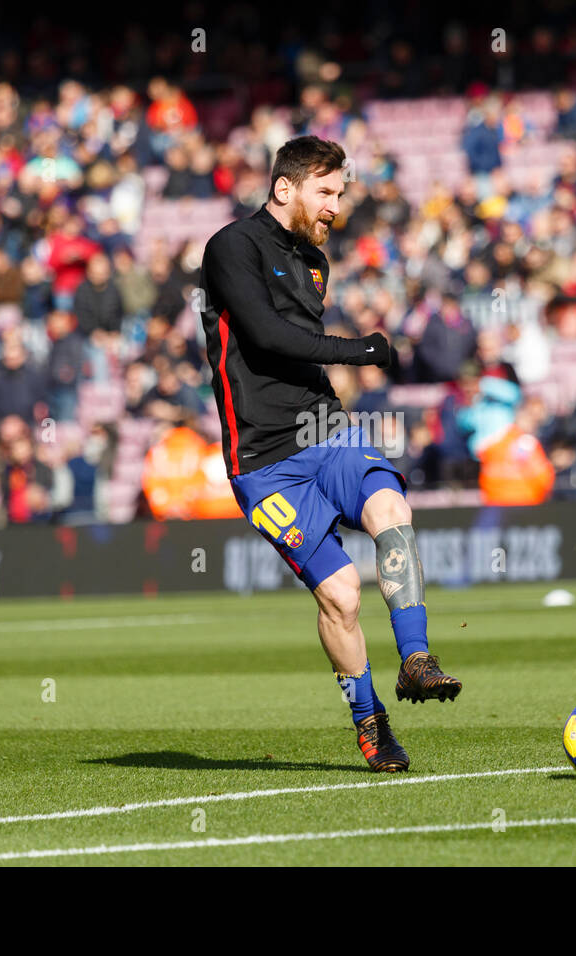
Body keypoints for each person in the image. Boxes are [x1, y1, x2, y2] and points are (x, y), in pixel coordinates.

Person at [198, 136, 461, 774]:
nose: (335, 206)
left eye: (340, 193)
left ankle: (418, 659)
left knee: (391, 509)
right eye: (326, 192)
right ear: (284, 188)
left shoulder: (314, 259)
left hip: (326, 430)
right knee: (342, 595)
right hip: (262, 460)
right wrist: (362, 350)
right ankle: (371, 723)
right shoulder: (231, 246)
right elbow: (263, 335)